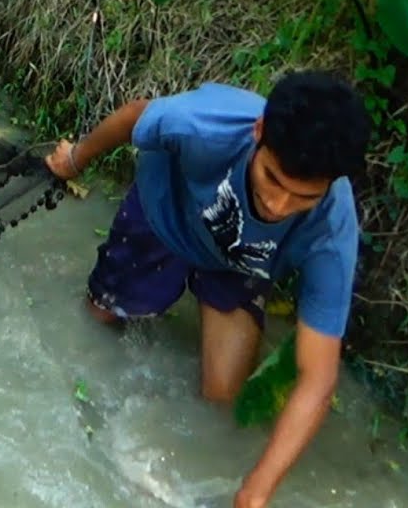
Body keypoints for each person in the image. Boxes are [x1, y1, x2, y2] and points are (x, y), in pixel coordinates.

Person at [44, 70, 368, 508]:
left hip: (240, 261)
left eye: (302, 198)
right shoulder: (203, 126)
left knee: (221, 403)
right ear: (259, 133)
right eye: (272, 178)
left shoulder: (332, 230)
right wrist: (75, 160)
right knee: (101, 318)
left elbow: (318, 377)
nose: (278, 205)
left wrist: (256, 490)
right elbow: (134, 116)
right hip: (166, 216)